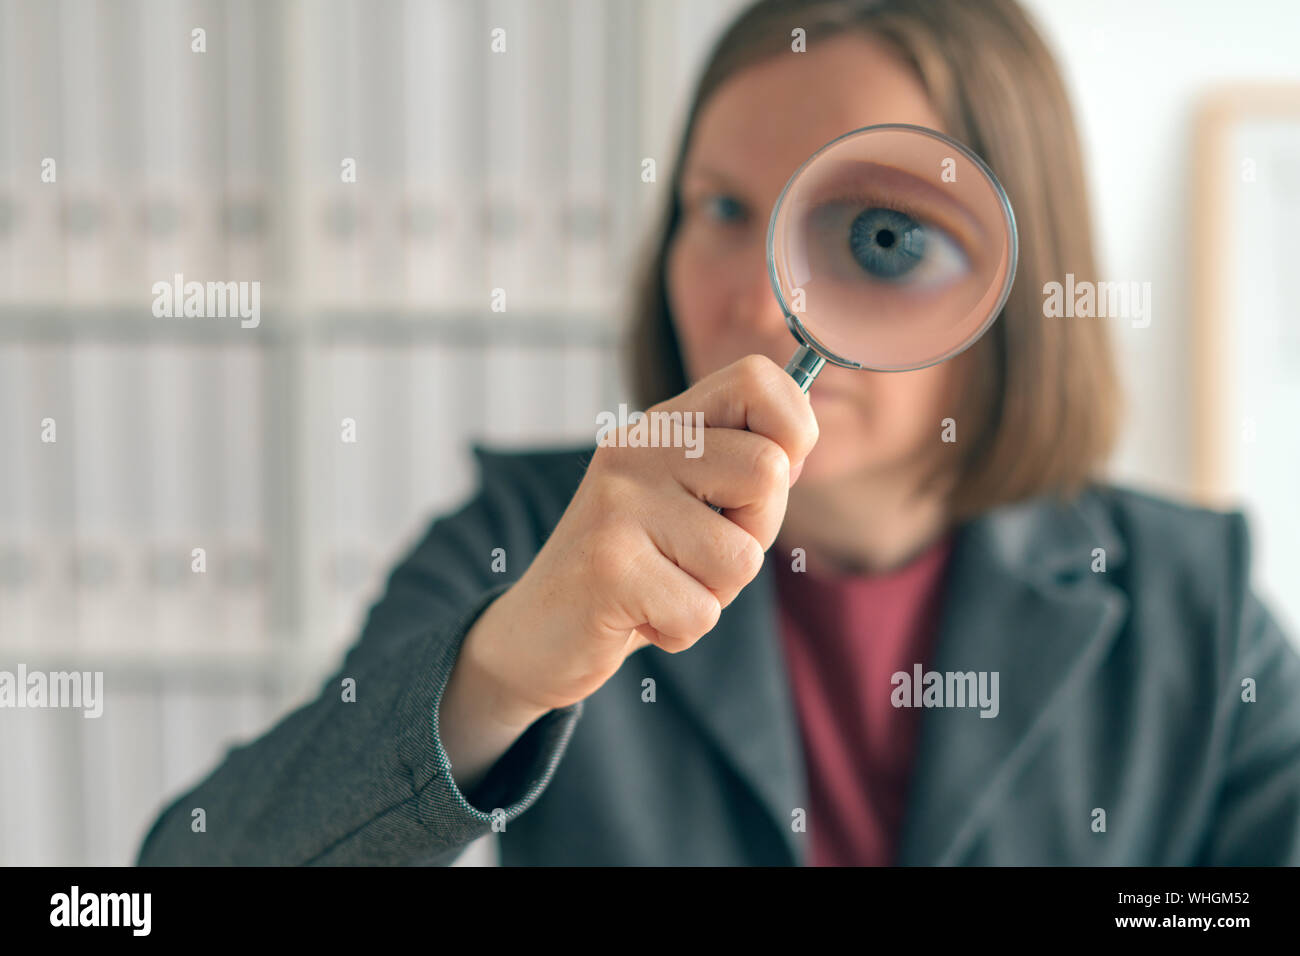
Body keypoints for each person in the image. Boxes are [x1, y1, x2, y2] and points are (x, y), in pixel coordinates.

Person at [136, 0, 1300, 866]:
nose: (759, 299)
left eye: (881, 234)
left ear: (1010, 273)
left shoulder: (1196, 599)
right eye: (723, 210)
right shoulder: (529, 536)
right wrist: (503, 666)